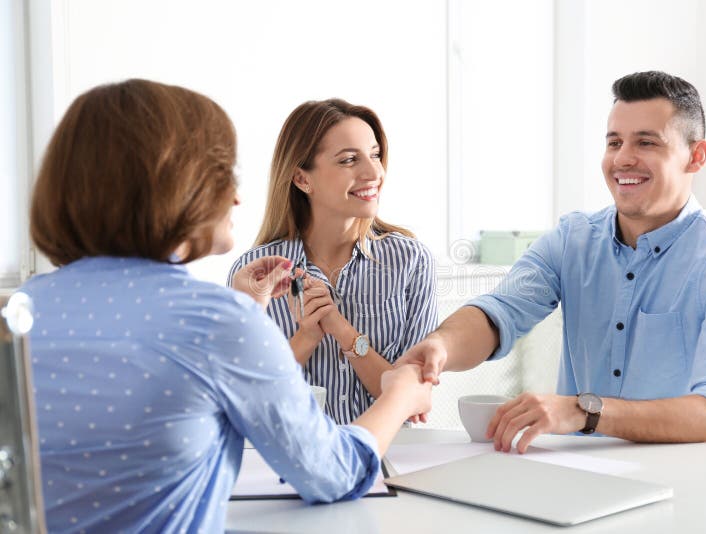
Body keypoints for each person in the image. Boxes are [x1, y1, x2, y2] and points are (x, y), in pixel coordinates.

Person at [22, 79, 432, 533]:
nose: (236, 196)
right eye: (222, 174)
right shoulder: (217, 319)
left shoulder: (21, 311)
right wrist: (400, 392)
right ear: (173, 185)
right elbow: (333, 473)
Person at [395, 71, 706, 531]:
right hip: (586, 490)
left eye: (647, 143)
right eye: (614, 142)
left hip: (697, 499)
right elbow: (501, 310)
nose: (623, 159)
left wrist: (582, 410)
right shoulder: (573, 239)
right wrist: (441, 346)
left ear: (696, 156)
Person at [227, 99, 438, 424]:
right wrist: (307, 336)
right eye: (349, 160)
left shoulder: (411, 261)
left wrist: (343, 332)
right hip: (288, 461)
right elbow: (249, 402)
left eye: (375, 155)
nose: (374, 172)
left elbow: (414, 400)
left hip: (388, 459)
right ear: (302, 179)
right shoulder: (255, 275)